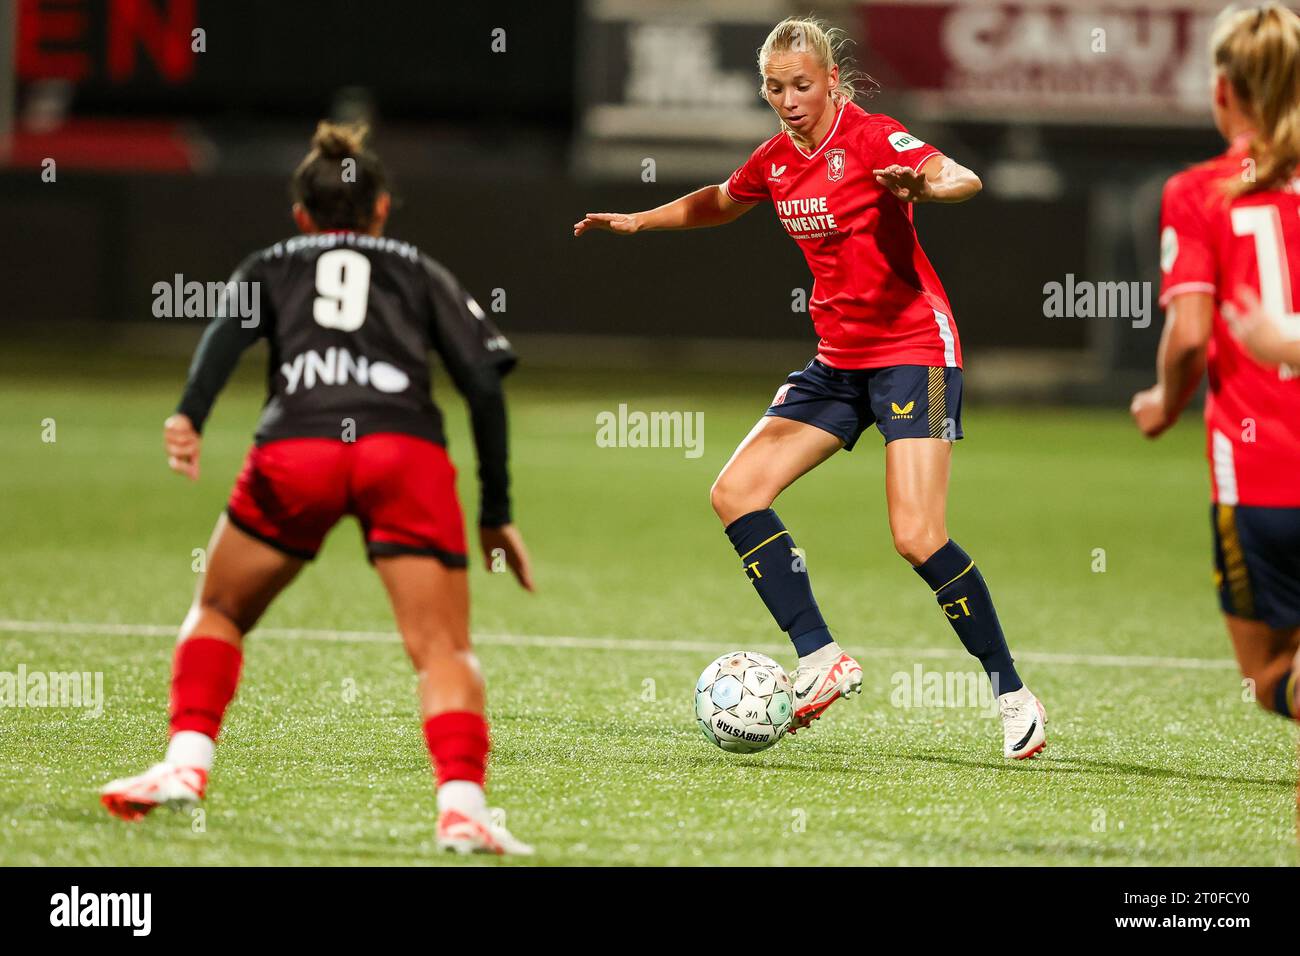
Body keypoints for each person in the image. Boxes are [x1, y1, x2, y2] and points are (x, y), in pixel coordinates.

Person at [575, 16, 1047, 758]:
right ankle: (822, 657)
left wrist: (924, 182)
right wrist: (642, 220)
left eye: (801, 85)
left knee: (917, 536)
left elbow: (959, 176)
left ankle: (1011, 690)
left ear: (831, 80)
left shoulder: (871, 137)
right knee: (735, 493)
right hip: (836, 362)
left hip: (913, 350)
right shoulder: (776, 159)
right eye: (775, 87)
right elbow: (721, 199)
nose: (789, 99)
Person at [100, 122, 537, 854]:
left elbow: (222, 339)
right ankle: (461, 809)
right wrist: (496, 512)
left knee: (219, 608)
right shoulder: (418, 267)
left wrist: (190, 415)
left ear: (303, 215)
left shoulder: (273, 262)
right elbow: (484, 386)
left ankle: (184, 767)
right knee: (442, 649)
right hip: (402, 452)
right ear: (382, 209)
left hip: (297, 448)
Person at [1131, 3, 1300, 722]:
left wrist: (1165, 403)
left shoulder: (1199, 192)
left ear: (1223, 91)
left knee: (1270, 678)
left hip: (1265, 480)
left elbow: (1192, 336)